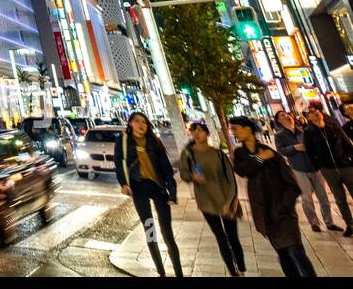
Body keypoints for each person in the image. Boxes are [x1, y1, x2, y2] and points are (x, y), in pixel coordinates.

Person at [229, 115, 316, 276]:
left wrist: (285, 205)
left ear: (247, 129)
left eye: (235, 128)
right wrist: (259, 158)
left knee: (296, 251)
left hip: (283, 212)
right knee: (283, 253)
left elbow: (291, 183)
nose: (233, 132)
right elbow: (242, 170)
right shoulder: (241, 153)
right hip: (264, 213)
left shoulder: (269, 152)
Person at [114, 110, 183, 277]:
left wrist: (172, 192)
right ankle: (161, 273)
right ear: (130, 123)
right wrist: (123, 183)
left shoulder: (154, 141)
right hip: (139, 189)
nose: (141, 125)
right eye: (137, 121)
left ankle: (179, 273)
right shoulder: (123, 141)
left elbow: (166, 169)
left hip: (158, 189)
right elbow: (118, 162)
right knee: (150, 231)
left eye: (144, 122)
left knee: (168, 234)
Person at [178, 120, 246, 275]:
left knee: (233, 237)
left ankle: (241, 268)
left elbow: (231, 177)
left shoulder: (217, 153)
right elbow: (184, 174)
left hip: (225, 199)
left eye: (200, 130)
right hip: (206, 201)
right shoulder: (187, 153)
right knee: (221, 238)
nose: (196, 133)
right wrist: (193, 177)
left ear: (207, 133)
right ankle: (233, 271)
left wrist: (232, 200)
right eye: (193, 130)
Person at [276, 110, 342, 233]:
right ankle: (314, 223)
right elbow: (281, 151)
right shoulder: (279, 135)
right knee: (306, 198)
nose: (286, 116)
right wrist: (295, 147)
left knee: (323, 196)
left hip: (314, 167)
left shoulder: (304, 131)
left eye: (287, 114)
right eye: (282, 116)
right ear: (278, 121)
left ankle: (329, 222)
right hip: (298, 168)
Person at [303, 106, 353, 236]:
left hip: (345, 166)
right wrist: (319, 166)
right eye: (312, 113)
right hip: (328, 170)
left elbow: (347, 144)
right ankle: (350, 224)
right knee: (340, 199)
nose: (316, 113)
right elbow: (310, 152)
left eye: (317, 111)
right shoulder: (309, 132)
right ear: (308, 118)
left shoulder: (334, 127)